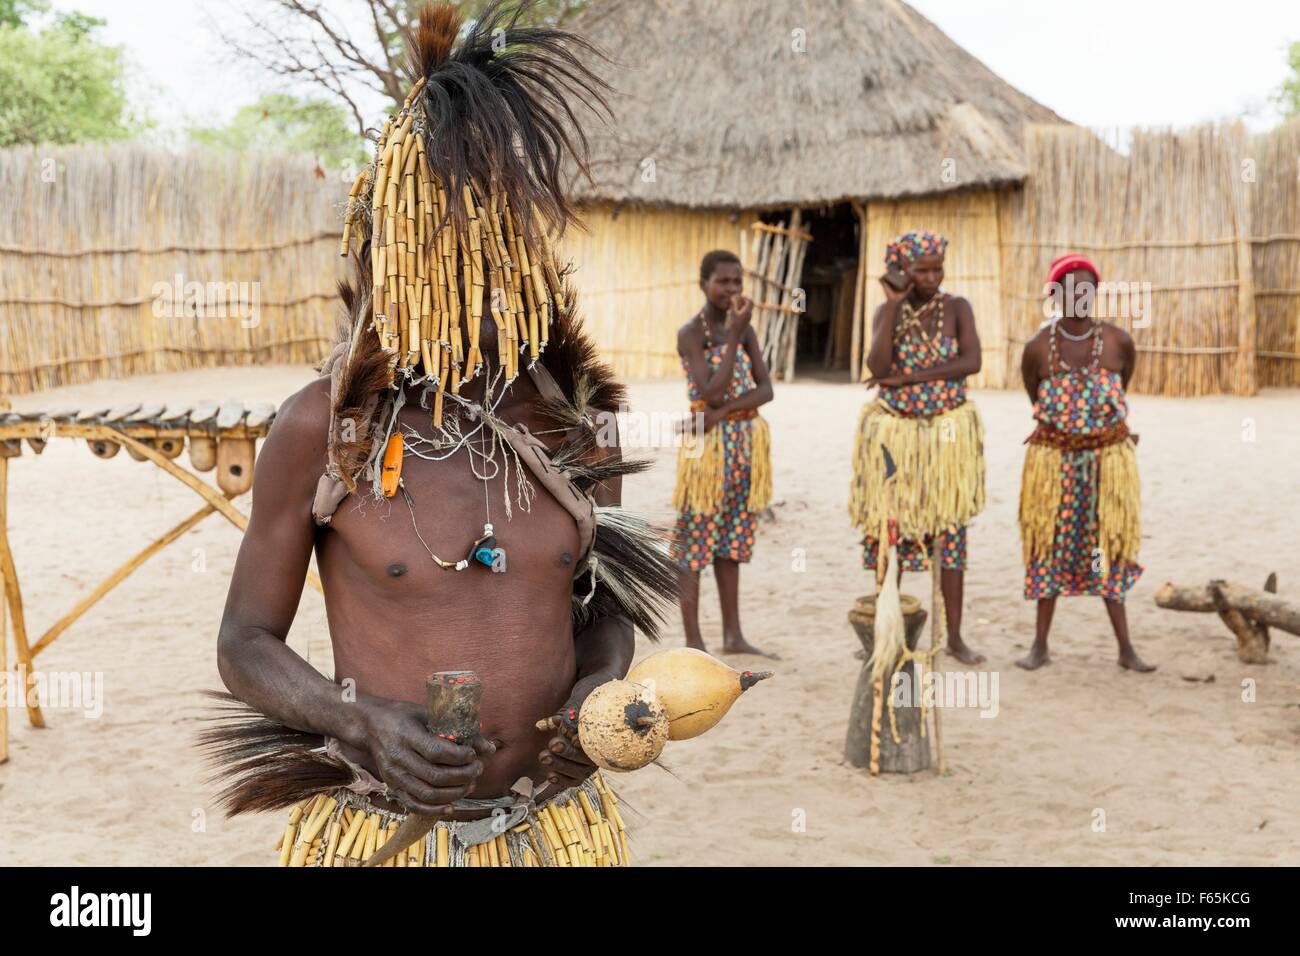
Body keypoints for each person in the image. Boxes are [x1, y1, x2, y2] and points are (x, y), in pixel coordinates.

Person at [202, 0, 677, 868]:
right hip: (383, 830)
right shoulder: (329, 428)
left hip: (556, 826)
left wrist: (599, 689)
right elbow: (244, 642)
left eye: (505, 246)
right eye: (454, 253)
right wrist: (359, 720)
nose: (491, 277)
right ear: (401, 258)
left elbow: (605, 610)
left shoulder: (580, 423)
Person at [850, 230, 987, 665]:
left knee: (950, 534)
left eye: (936, 267)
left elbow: (971, 362)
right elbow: (877, 365)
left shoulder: (957, 308)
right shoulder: (884, 311)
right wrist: (893, 306)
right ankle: (885, 631)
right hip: (895, 436)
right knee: (890, 532)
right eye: (920, 269)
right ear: (900, 271)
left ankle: (954, 637)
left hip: (946, 439)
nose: (931, 276)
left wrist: (907, 379)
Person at [1016, 253, 1155, 672]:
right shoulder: (1038, 348)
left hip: (1107, 465)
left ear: (1096, 293)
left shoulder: (1117, 341)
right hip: (1053, 464)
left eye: (1086, 289)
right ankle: (1039, 645)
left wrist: (1098, 433)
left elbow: (1122, 387)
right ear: (1054, 295)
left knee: (1108, 545)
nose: (1078, 296)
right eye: (1069, 289)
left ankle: (1126, 649)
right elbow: (1034, 395)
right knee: (1049, 545)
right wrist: (1069, 433)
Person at [671, 250, 776, 658]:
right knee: (695, 539)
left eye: (737, 281)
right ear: (704, 284)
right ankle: (694, 641)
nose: (732, 289)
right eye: (723, 282)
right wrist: (734, 335)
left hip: (744, 445)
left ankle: (733, 636)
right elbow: (711, 388)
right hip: (707, 451)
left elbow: (766, 390)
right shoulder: (690, 333)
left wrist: (724, 413)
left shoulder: (745, 330)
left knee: (731, 540)